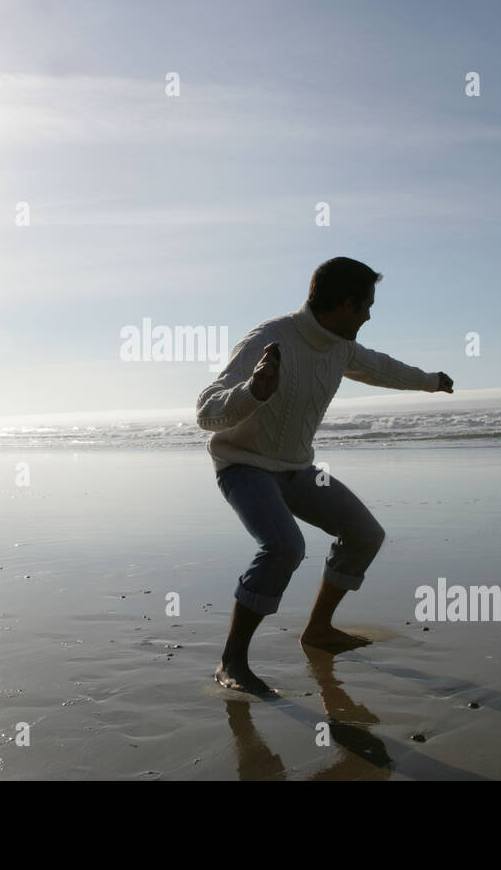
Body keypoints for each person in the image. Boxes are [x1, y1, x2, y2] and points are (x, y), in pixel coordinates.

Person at [196, 258, 454, 694]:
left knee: (365, 535)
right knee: (284, 547)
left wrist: (430, 381)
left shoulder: (340, 346)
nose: (370, 316)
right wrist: (253, 391)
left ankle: (318, 629)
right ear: (348, 303)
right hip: (243, 465)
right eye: (367, 306)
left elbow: (382, 368)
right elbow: (207, 410)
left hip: (296, 469)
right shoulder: (271, 338)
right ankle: (231, 662)